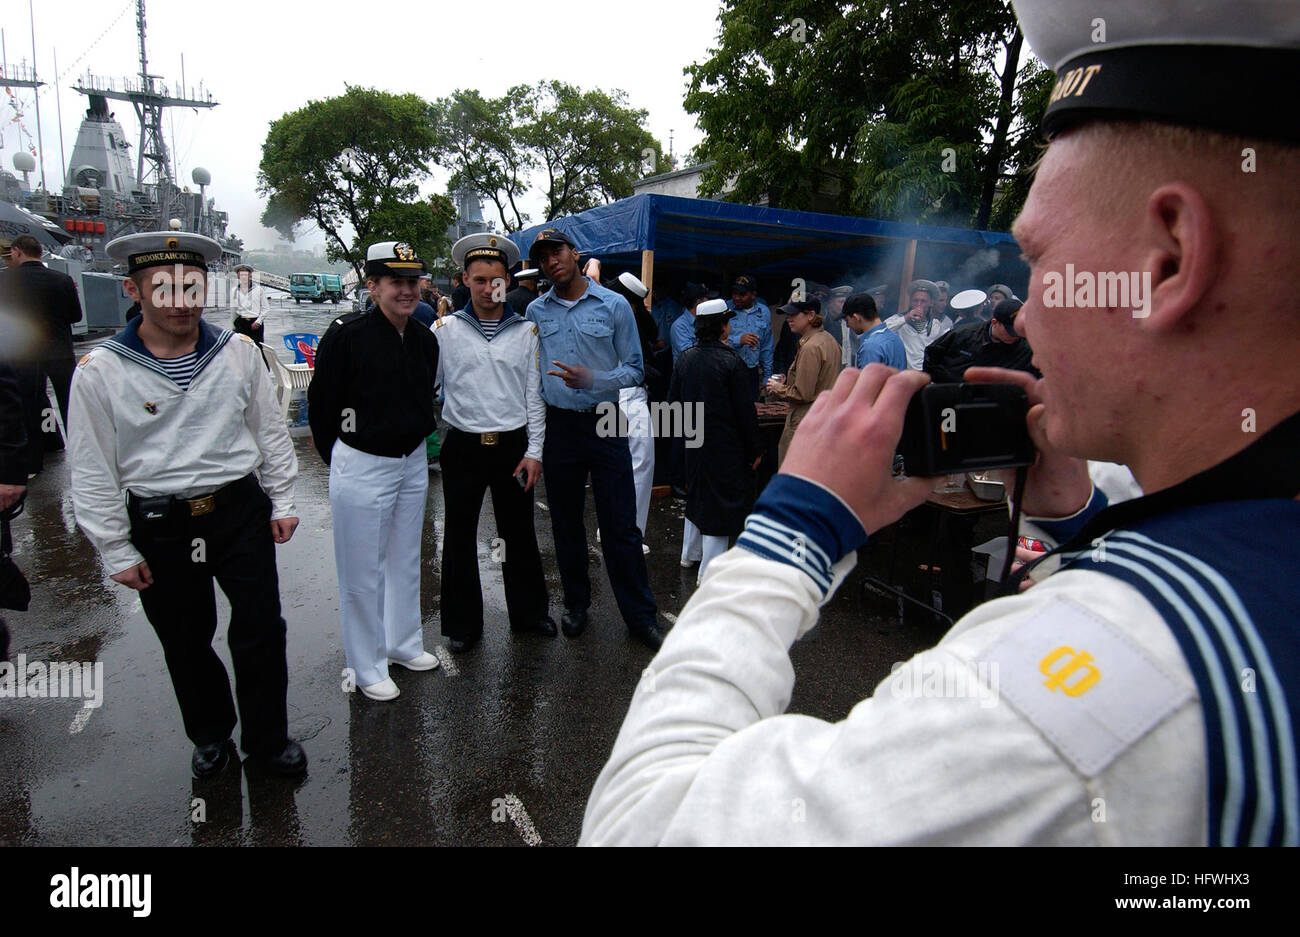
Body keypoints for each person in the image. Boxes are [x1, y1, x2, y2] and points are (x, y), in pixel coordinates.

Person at [581, 0, 1300, 846]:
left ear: (1170, 259)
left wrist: (794, 530)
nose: (1024, 317)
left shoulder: (1071, 702)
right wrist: (1082, 525)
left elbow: (638, 825)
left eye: (1037, 264)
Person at [67, 231, 305, 779]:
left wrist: (283, 498)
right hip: (161, 522)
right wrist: (114, 547)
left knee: (261, 629)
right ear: (134, 289)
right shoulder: (101, 370)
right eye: (165, 288)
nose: (182, 301)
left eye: (192, 287)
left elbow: (268, 432)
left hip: (237, 510)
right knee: (185, 637)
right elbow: (91, 465)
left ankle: (267, 740)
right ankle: (211, 735)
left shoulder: (238, 354)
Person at [308, 241, 441, 702]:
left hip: (411, 461)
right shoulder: (347, 335)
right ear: (373, 285)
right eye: (395, 282)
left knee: (405, 559)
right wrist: (343, 461)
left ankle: (403, 644)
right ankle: (366, 665)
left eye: (412, 282)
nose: (406, 291)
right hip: (362, 461)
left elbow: (425, 397)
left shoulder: (424, 337)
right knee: (362, 570)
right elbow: (321, 407)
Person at [525, 228, 665, 650]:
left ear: (575, 253)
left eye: (558, 252)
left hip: (607, 419)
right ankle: (576, 604)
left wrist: (595, 379)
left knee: (620, 524)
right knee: (566, 523)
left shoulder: (614, 305)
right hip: (561, 425)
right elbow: (530, 374)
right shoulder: (536, 311)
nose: (552, 261)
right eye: (544, 257)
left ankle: (640, 617)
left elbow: (636, 369)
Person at [434, 234, 552, 653]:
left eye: (496, 279)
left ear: (507, 281)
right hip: (463, 446)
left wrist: (535, 451)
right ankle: (463, 625)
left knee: (518, 532)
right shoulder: (445, 331)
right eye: (479, 279)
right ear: (465, 280)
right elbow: (428, 389)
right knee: (459, 535)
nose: (488, 288)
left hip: (512, 447)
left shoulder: (526, 332)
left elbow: (534, 395)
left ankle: (530, 614)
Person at [671, 299, 760, 583]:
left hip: (693, 441)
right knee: (721, 504)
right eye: (727, 321)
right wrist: (754, 448)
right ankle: (709, 572)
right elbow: (746, 413)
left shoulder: (685, 358)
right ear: (722, 326)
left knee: (697, 494)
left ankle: (689, 555)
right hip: (724, 445)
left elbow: (672, 404)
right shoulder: (732, 362)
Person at [2, 234, 83, 476]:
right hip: (58, 351)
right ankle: (79, 457)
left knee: (32, 404)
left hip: (25, 353)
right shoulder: (62, 279)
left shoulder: (5, 280)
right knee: (70, 404)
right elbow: (75, 316)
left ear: (17, 251)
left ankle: (36, 459)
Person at [597, 269, 659, 550]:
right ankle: (630, 534)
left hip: (609, 397)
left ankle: (608, 527)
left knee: (612, 467)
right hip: (628, 397)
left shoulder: (603, 313)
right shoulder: (622, 319)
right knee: (640, 467)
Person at [764, 297, 840, 465]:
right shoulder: (829, 340)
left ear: (811, 315)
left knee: (794, 473)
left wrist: (777, 387)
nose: (789, 319)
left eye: (794, 314)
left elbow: (803, 394)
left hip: (805, 421)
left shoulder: (811, 347)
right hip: (823, 417)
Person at [923, 297, 1039, 384]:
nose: (1015, 335)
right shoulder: (964, 334)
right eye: (1010, 330)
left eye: (1020, 330)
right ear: (994, 322)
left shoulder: (1026, 348)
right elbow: (931, 357)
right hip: (955, 396)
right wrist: (950, 383)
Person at [884, 278, 952, 369]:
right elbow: (881, 331)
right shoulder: (899, 319)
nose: (918, 304)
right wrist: (906, 318)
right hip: (904, 373)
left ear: (931, 303)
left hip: (924, 375)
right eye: (915, 301)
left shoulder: (936, 325)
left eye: (923, 301)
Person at [725, 275, 774, 400]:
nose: (737, 298)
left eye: (742, 294)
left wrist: (767, 376)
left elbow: (767, 346)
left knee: (751, 409)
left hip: (751, 371)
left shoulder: (763, 312)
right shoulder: (725, 309)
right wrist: (738, 340)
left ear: (753, 295)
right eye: (734, 293)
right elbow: (714, 340)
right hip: (728, 370)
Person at [843, 292, 906, 370]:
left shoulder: (870, 346)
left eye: (847, 320)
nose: (847, 325)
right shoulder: (895, 338)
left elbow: (867, 381)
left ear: (856, 317)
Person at [670, 283, 710, 367]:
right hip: (686, 376)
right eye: (706, 299)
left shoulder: (706, 322)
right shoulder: (679, 326)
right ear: (699, 302)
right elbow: (689, 355)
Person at [230, 263, 269, 345]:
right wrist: (233, 327)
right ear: (238, 276)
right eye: (241, 275)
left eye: (245, 274)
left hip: (254, 322)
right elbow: (234, 310)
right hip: (241, 323)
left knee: (257, 348)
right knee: (240, 348)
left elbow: (265, 308)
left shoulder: (258, 290)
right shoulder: (234, 290)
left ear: (250, 276)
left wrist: (259, 321)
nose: (243, 277)